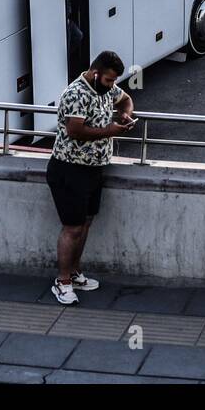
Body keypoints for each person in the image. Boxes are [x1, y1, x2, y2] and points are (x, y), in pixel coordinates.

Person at [46, 50, 135, 305]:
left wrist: (127, 113)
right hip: (69, 169)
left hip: (94, 168)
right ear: (96, 73)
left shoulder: (106, 89)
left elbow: (126, 99)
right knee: (72, 227)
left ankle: (74, 273)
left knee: (85, 223)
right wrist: (112, 130)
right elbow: (75, 131)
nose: (112, 86)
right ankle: (62, 282)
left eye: (114, 81)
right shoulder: (76, 94)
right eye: (108, 80)